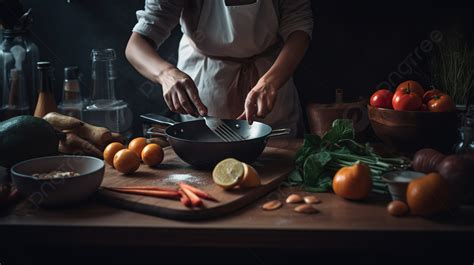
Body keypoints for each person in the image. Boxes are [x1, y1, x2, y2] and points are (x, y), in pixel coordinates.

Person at [126, 0, 313, 137]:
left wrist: (270, 81)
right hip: (206, 86)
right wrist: (166, 73)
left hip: (272, 79)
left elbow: (299, 26)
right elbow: (136, 44)